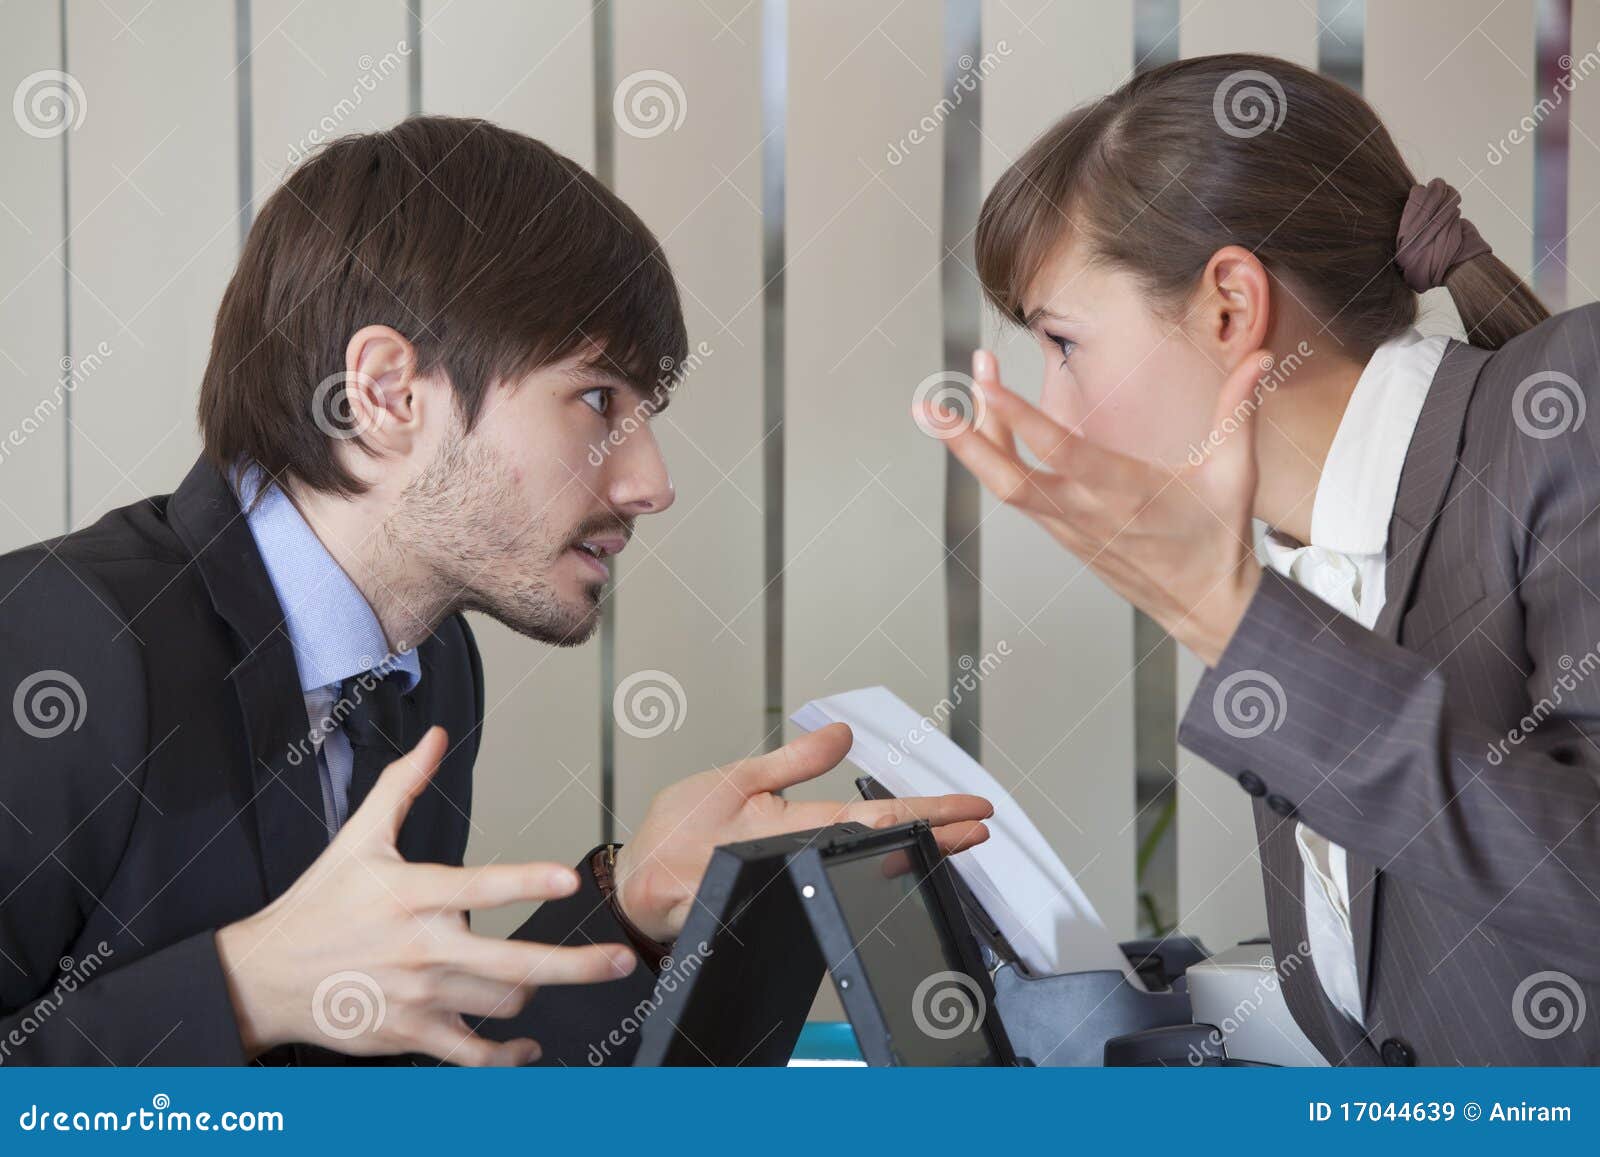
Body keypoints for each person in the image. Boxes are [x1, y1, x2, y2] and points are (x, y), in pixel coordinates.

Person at [0, 116, 992, 1067]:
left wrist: (631, 903)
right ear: (387, 393)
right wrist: (244, 987)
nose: (650, 480)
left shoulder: (426, 662)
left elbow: (402, 1096)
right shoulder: (63, 641)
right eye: (598, 398)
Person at [934, 53, 1599, 1065]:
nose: (1049, 413)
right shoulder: (1297, 562)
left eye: (1062, 343)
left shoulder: (1564, 407)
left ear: (1229, 309)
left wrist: (1229, 616)